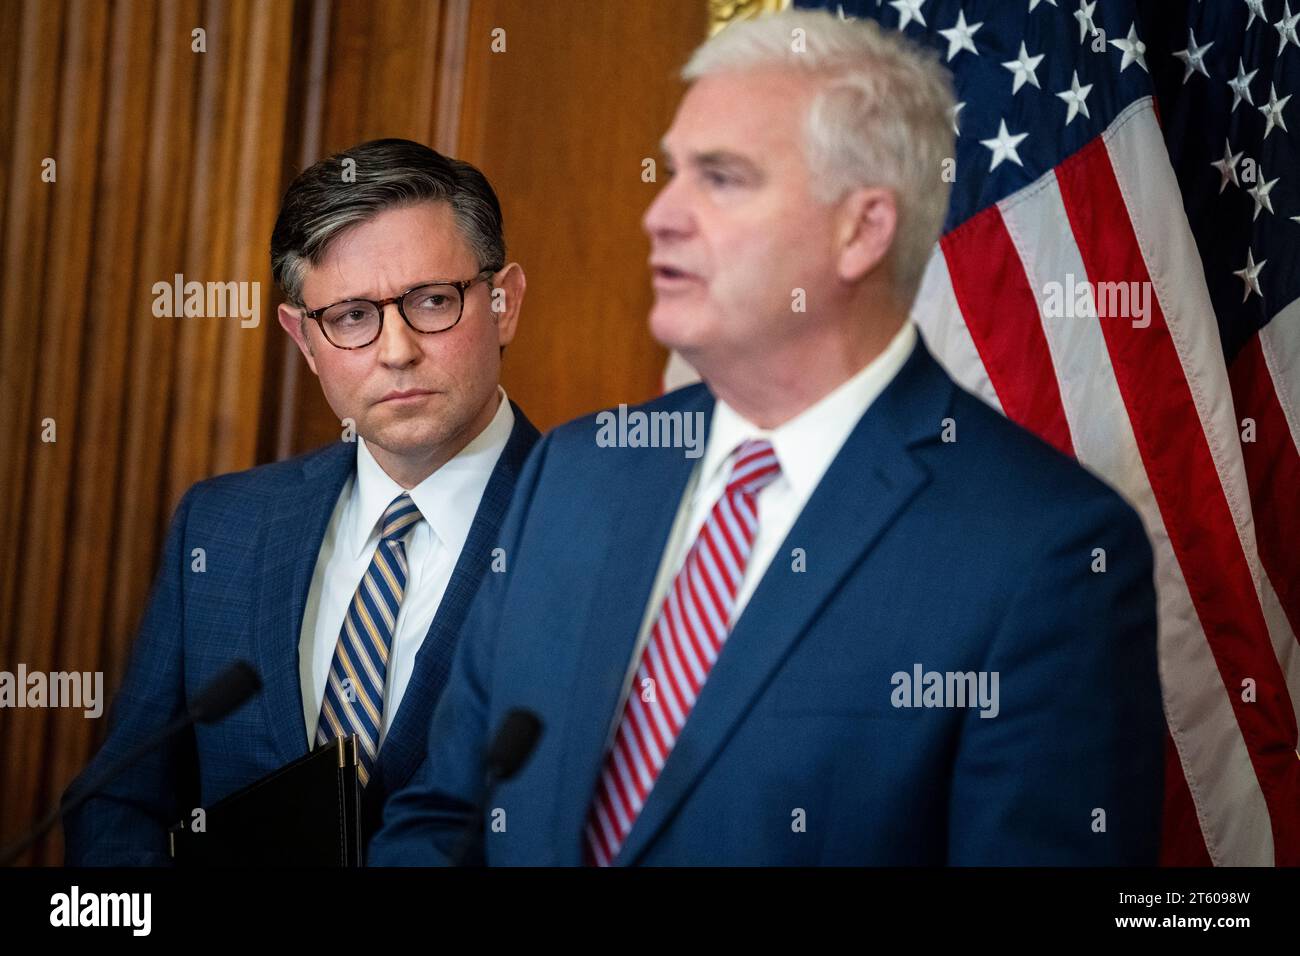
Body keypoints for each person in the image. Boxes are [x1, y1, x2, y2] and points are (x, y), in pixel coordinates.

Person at [369, 12, 1163, 866]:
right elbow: (440, 817)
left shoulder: (1045, 553)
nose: (661, 216)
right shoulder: (575, 471)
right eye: (674, 173)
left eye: (723, 179)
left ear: (861, 229)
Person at [63, 138, 539, 864]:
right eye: (351, 316)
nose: (397, 349)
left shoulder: (592, 528)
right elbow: (119, 798)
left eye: (433, 301)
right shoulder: (220, 528)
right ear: (304, 340)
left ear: (503, 305)